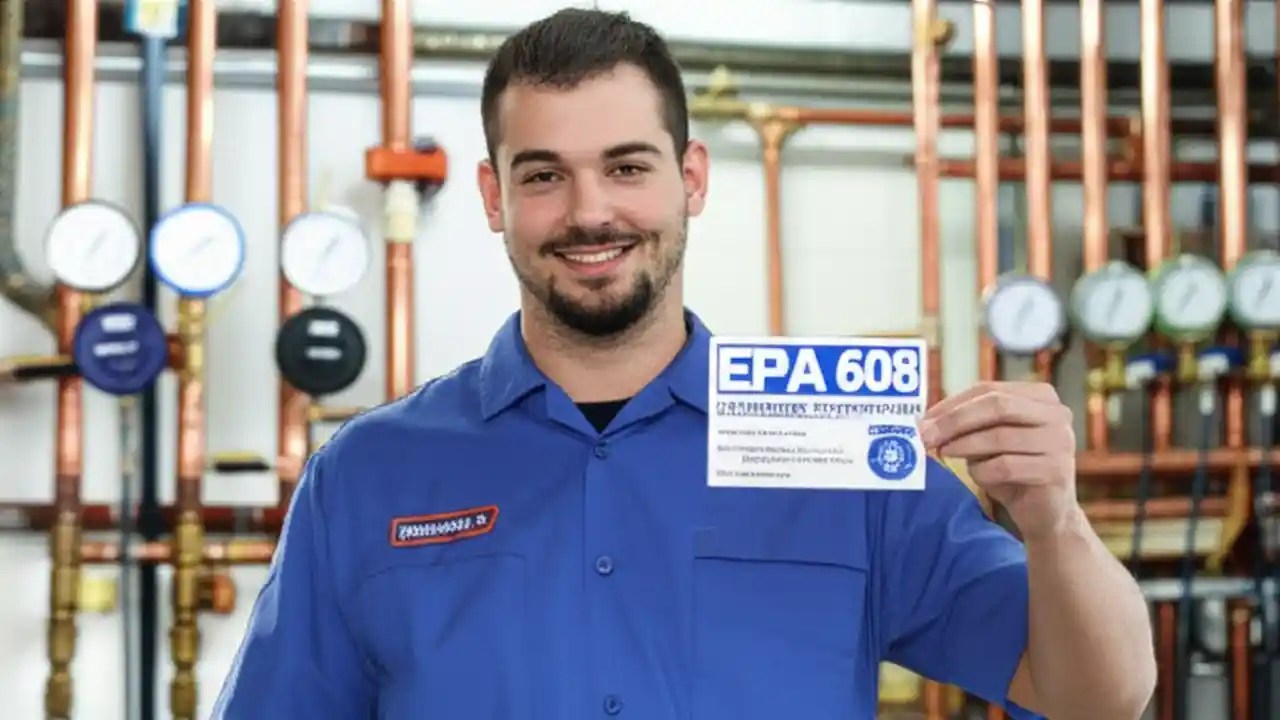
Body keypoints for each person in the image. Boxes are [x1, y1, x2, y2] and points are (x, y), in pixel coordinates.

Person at [211, 8, 1157, 719]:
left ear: (690, 178)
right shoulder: (369, 474)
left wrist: (1055, 522)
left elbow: (1098, 697)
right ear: (496, 196)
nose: (589, 212)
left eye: (627, 167)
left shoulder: (840, 453)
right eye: (545, 175)